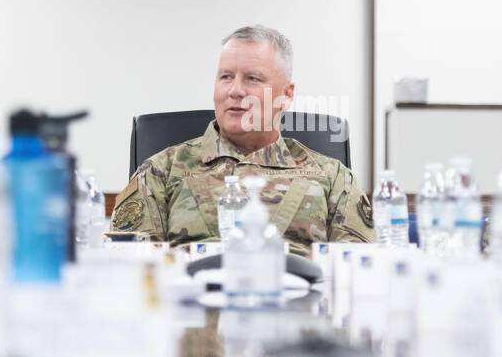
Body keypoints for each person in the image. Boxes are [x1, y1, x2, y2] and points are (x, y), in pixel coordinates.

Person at [110, 25, 373, 255]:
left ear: (286, 93)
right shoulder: (161, 170)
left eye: (252, 79)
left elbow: (357, 269)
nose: (235, 90)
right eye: (225, 77)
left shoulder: (333, 177)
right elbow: (131, 267)